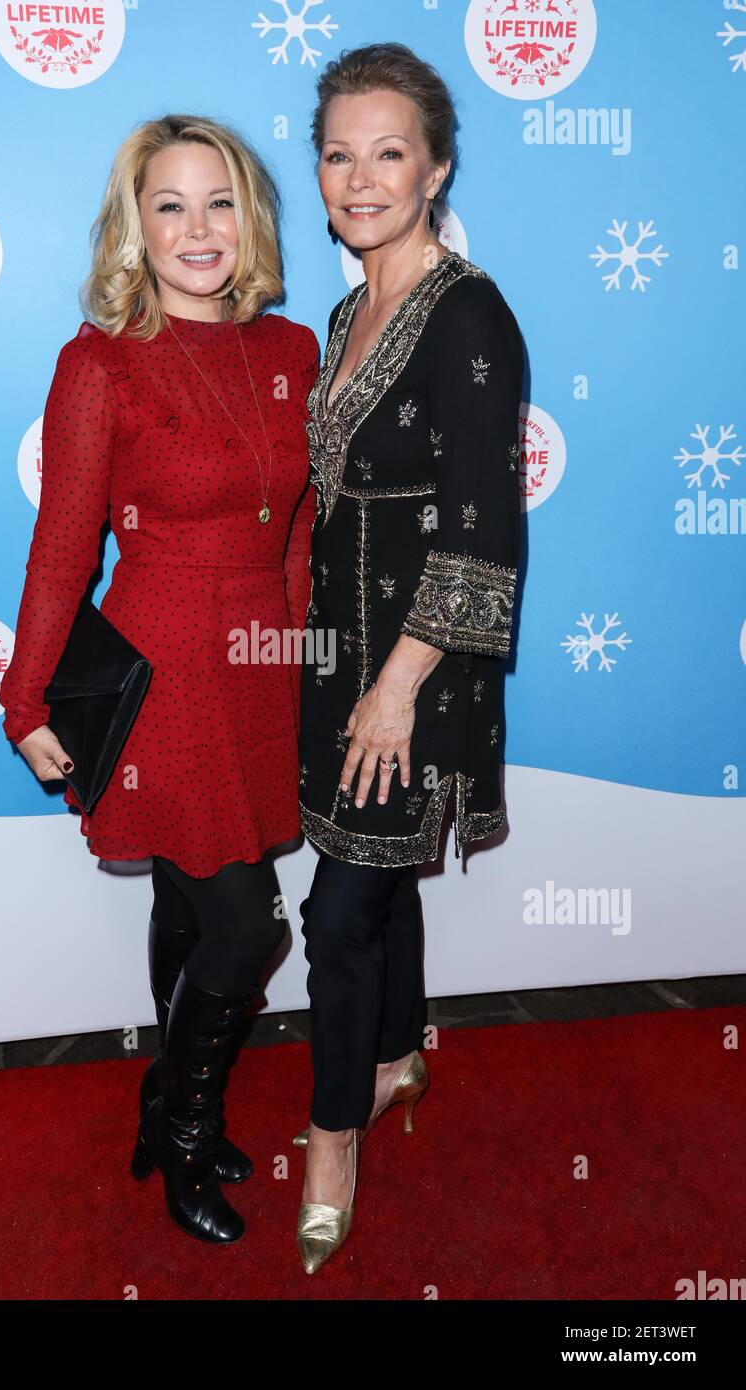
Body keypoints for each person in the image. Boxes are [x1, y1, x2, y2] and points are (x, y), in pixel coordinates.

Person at [0, 115, 319, 1246]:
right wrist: (22, 697)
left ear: (252, 218)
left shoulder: (289, 354)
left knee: (189, 900)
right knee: (244, 925)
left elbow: (295, 537)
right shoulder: (99, 364)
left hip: (258, 670)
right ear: (134, 224)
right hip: (163, 671)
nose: (197, 228)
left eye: (219, 201)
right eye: (169, 204)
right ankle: (180, 1131)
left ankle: (170, 1112)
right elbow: (63, 547)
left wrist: (306, 663)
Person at [293, 43, 525, 1273]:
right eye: (339, 153)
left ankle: (333, 1136)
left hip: (418, 673)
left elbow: (484, 531)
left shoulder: (469, 313)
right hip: (342, 653)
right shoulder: (347, 308)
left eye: (390, 152)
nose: (362, 175)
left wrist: (395, 688)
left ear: (435, 169)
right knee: (378, 883)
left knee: (338, 906)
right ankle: (395, 1058)